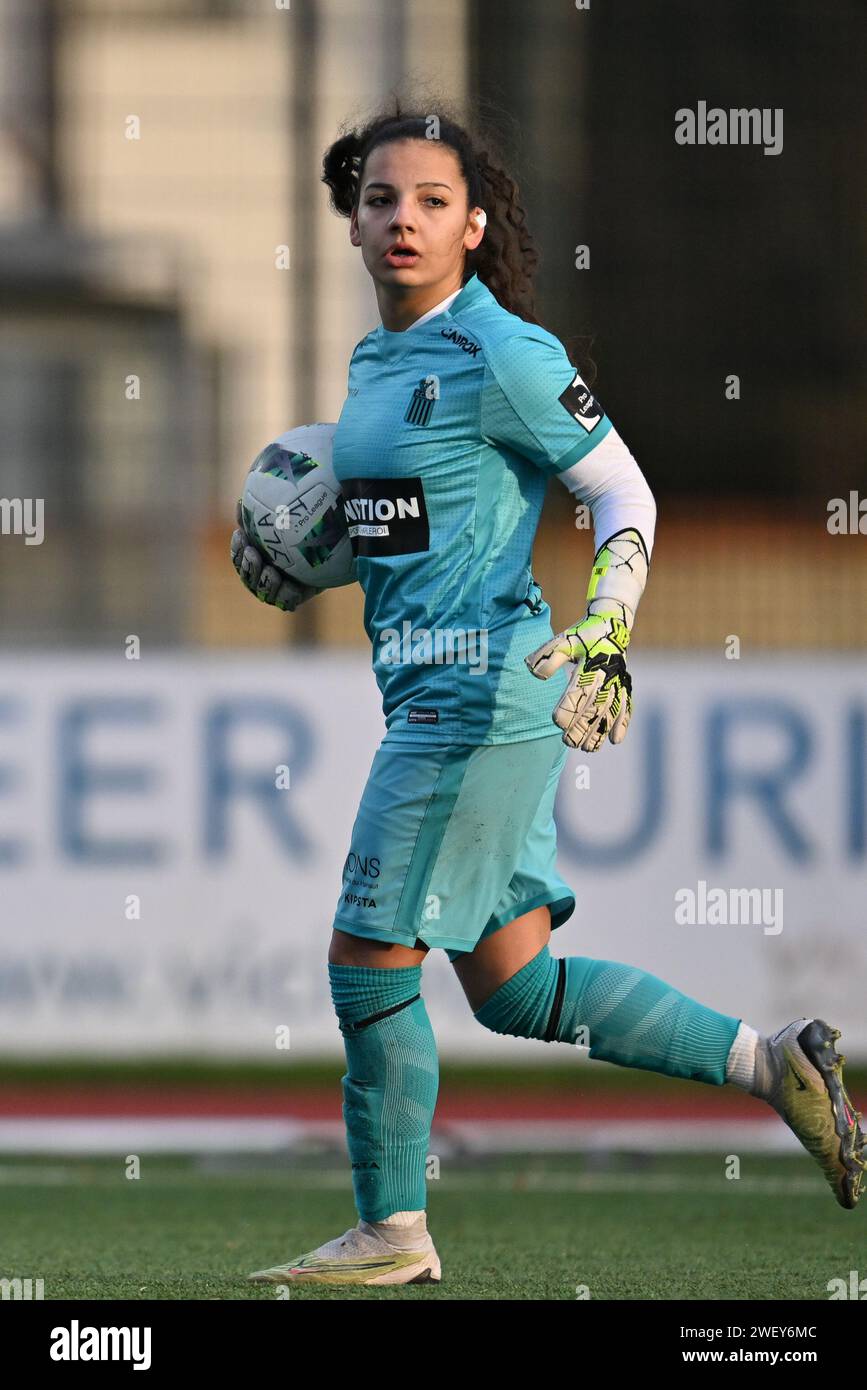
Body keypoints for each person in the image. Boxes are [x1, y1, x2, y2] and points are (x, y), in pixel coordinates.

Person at [232, 101, 865, 1287]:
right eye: (380, 199)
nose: (403, 219)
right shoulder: (377, 360)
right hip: (442, 692)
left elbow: (626, 494)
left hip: (475, 700)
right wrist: (315, 547)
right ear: (354, 222)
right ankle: (768, 1060)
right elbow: (418, 523)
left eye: (430, 201)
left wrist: (609, 629)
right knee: (518, 988)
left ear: (474, 223)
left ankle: (393, 1234)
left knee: (365, 960)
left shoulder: (503, 351)